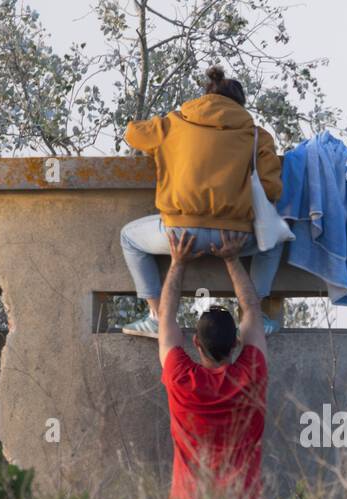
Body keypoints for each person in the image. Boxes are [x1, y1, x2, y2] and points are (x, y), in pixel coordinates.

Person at [119, 66, 285, 335]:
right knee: (276, 238)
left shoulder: (174, 122)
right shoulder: (257, 135)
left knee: (129, 237)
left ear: (205, 95)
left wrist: (167, 128)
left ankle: (155, 317)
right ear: (240, 105)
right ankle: (254, 316)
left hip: (180, 233)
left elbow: (132, 133)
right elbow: (272, 189)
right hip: (234, 235)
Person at [155, 228, 269, 499]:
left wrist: (178, 262)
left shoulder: (180, 376)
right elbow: (252, 311)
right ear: (236, 344)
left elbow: (165, 317)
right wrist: (231, 259)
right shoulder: (252, 372)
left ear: (195, 342)